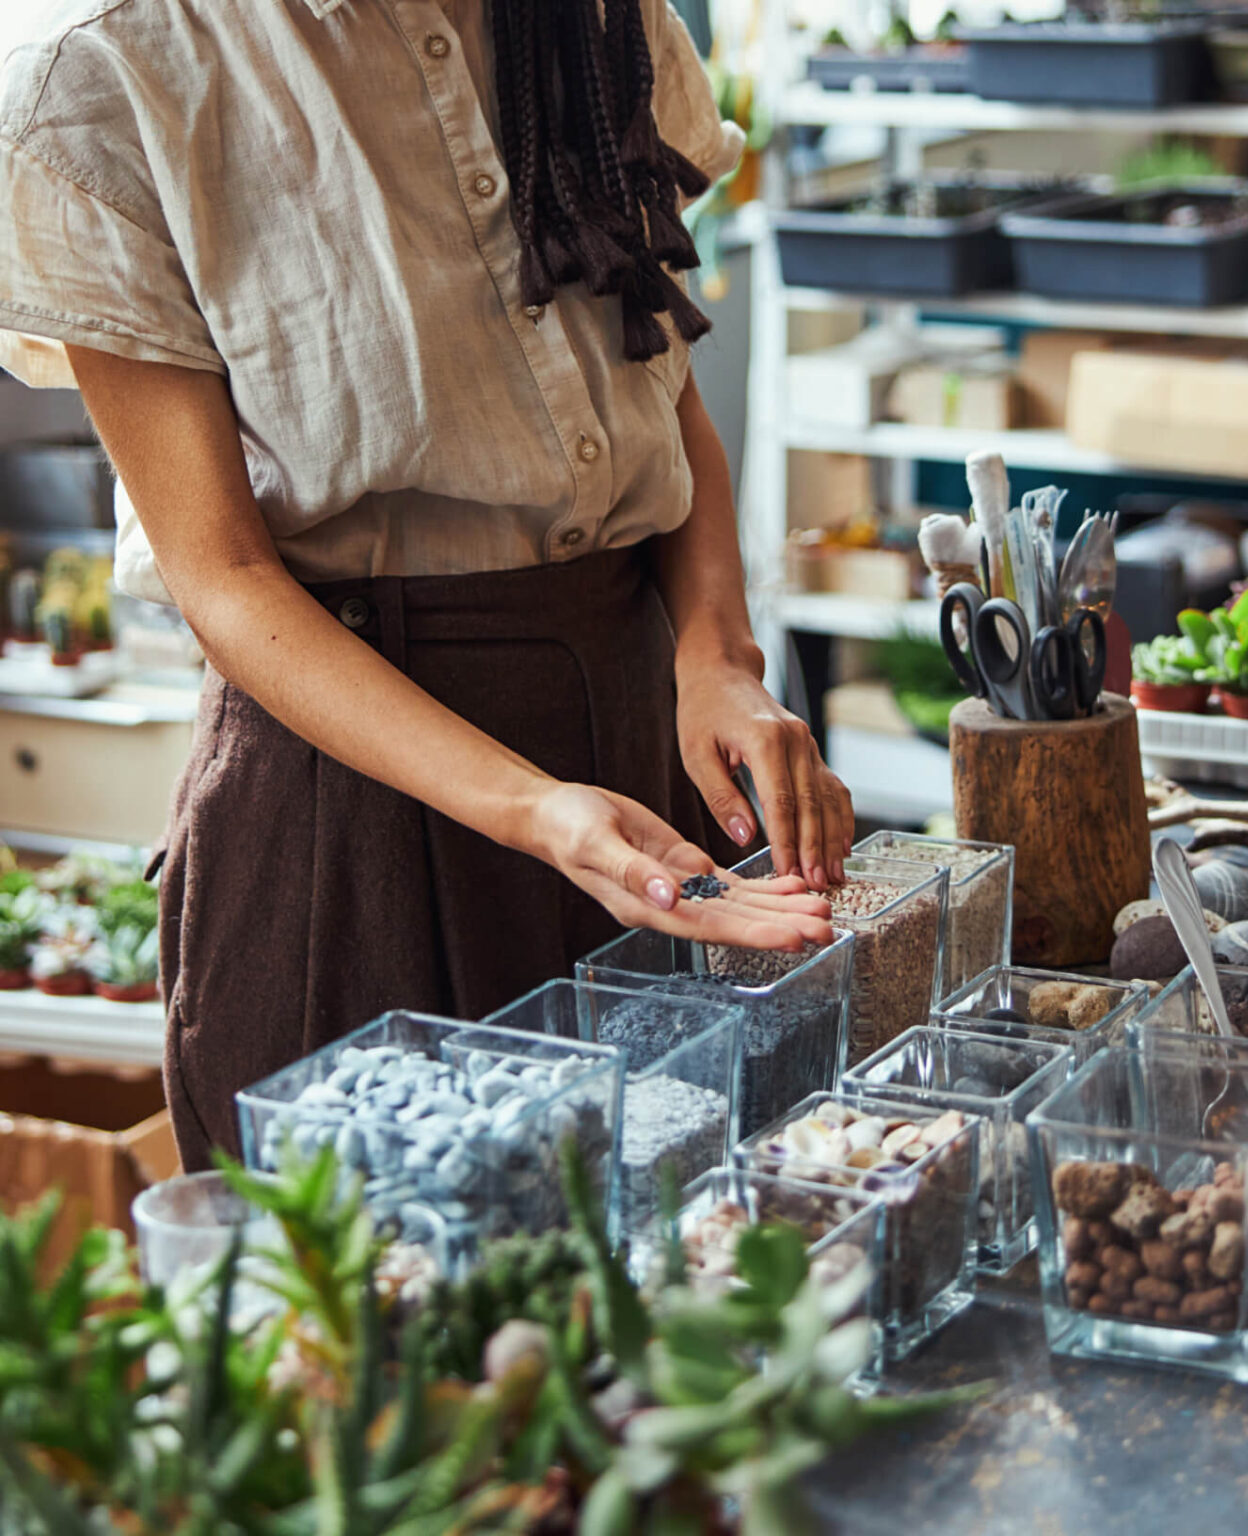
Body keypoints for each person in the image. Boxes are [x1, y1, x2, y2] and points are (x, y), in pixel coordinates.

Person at [0, 0, 852, 1170]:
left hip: (637, 766)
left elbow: (663, 397)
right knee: (391, 1313)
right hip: (351, 819)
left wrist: (716, 657)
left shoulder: (598, 20)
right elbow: (226, 578)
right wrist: (535, 810)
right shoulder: (107, 82)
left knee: (688, 1262)